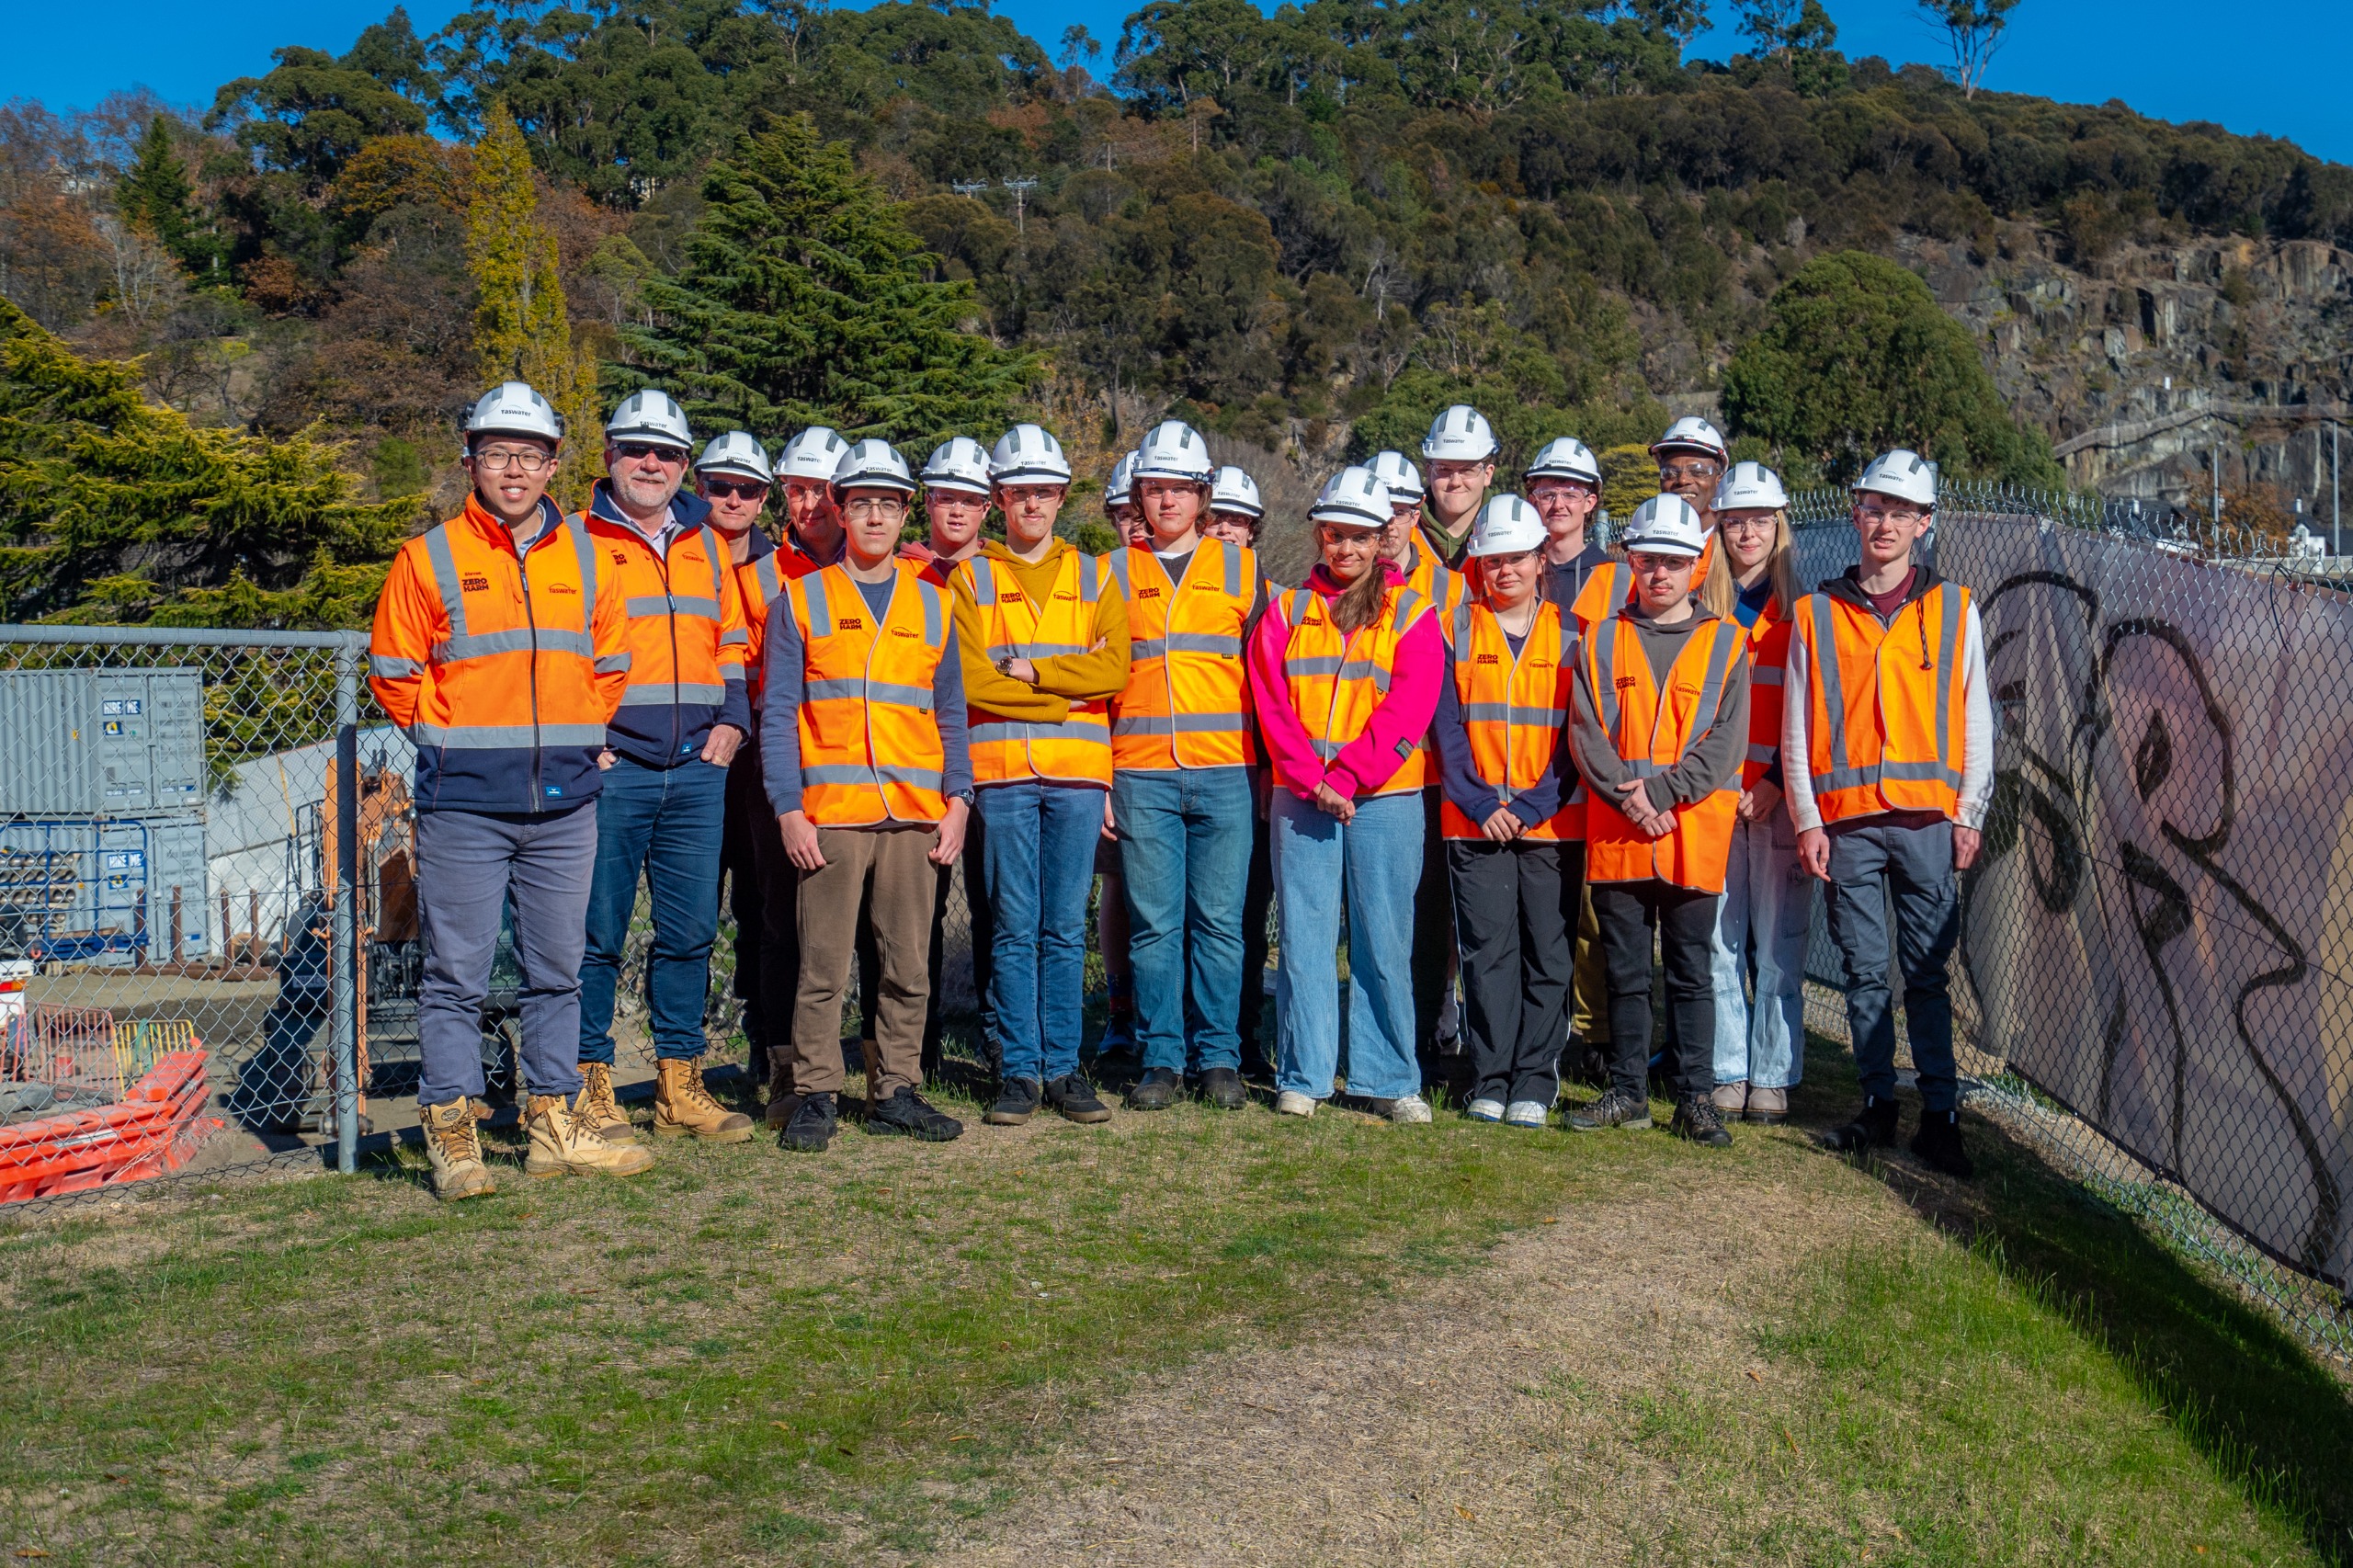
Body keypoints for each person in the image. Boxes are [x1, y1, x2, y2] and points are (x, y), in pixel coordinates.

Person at [368, 382, 653, 1198]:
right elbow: (393, 672)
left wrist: (575, 738)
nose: (514, 469)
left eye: (528, 454)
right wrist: (451, 737)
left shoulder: (590, 556)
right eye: (497, 453)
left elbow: (610, 665)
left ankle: (552, 1124)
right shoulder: (428, 558)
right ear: (472, 461)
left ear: (554, 462)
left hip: (565, 804)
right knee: (454, 974)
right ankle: (453, 1132)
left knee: (557, 971)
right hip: (464, 806)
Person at [1786, 449, 1992, 1179]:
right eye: (1875, 507)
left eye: (1902, 512)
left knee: (1928, 976)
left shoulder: (1954, 607)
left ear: (1924, 525)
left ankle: (1941, 1119)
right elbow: (1796, 725)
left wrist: (1969, 813)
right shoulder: (1816, 611)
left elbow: (1976, 720)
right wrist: (1808, 819)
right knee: (1864, 973)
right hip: (1846, 824)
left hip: (1929, 825)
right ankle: (1877, 1107)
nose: (1886, 523)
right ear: (1855, 512)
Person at [764, 440, 973, 1153]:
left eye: (888, 504)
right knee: (822, 965)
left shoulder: (933, 604)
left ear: (905, 510)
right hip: (831, 818)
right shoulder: (801, 599)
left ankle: (896, 1089)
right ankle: (817, 1091)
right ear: (841, 511)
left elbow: (950, 713)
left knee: (908, 963)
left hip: (915, 816)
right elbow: (780, 712)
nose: (876, 517)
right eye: (862, 504)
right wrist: (788, 808)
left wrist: (959, 802)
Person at [574, 389, 757, 1148]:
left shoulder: (704, 543)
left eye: (668, 453)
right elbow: (556, 650)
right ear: (610, 454)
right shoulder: (574, 541)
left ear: (686, 463)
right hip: (614, 767)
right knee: (595, 936)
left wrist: (733, 723)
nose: (652, 464)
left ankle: (680, 1087)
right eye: (637, 449)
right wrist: (588, 736)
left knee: (688, 934)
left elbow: (733, 640)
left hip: (696, 768)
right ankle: (588, 1088)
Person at [1248, 466, 1444, 1124]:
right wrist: (1313, 779)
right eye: (1335, 535)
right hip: (1302, 795)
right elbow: (1271, 707)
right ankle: (1303, 1073)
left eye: (1360, 537)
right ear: (1319, 535)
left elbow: (1409, 708)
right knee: (1302, 937)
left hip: (1385, 797)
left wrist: (1348, 775)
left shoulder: (1413, 612)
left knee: (1384, 937)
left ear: (1381, 539)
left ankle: (1388, 1076)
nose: (1347, 549)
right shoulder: (1284, 611)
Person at [952, 423, 1131, 1127]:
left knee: (1063, 925)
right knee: (1014, 925)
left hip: (1078, 775)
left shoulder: (1096, 574)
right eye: (1020, 492)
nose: (1033, 504)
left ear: (1062, 498)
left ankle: (1065, 1068)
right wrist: (1065, 695)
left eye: (1045, 493)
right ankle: (1019, 1070)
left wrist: (1033, 673)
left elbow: (1115, 667)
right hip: (1002, 773)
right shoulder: (973, 577)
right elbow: (967, 677)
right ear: (999, 499)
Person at [1564, 494, 1750, 1147]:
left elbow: (1727, 742)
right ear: (1631, 561)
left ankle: (1695, 1098)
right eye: (1648, 561)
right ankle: (1628, 1093)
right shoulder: (1600, 638)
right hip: (1621, 830)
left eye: (1673, 562)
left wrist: (1663, 795)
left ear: (1696, 566)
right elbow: (1584, 734)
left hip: (1690, 831)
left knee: (1690, 968)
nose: (1660, 574)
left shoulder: (1728, 642)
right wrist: (1631, 798)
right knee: (1624, 969)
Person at [1102, 422, 1265, 1111]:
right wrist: (1100, 776)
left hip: (1227, 771)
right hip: (1139, 772)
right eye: (1154, 488)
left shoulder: (1244, 571)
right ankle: (1161, 1057)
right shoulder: (1109, 573)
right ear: (1137, 495)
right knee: (1154, 924)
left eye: (1180, 488)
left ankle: (1220, 1056)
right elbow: (1093, 685)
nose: (1166, 501)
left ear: (1203, 496)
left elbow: (1270, 683)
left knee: (1222, 922)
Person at [1432, 495, 1581, 1129]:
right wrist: (1477, 802)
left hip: (1550, 825)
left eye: (1517, 558)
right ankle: (1489, 1079)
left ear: (1540, 559)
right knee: (1486, 955)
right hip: (1474, 823)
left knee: (1547, 954)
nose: (1504, 571)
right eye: (1492, 561)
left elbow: (1580, 738)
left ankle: (1534, 1080)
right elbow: (1447, 729)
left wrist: (1529, 806)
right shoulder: (1457, 629)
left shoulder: (1576, 635)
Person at [1699, 461, 1810, 1126]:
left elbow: (1814, 711)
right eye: (1735, 520)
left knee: (1778, 943)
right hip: (1714, 796)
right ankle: (1727, 1069)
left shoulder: (1804, 609)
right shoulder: (1697, 604)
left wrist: (1774, 782)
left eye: (1760, 520)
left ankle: (1772, 1073)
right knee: (1719, 940)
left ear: (1779, 525)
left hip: (1776, 797)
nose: (1747, 532)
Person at [694, 431, 792, 1096]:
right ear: (700, 488)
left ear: (763, 499)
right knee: (691, 910)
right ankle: (681, 1060)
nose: (733, 498)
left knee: (764, 908)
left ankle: (768, 1046)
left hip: (756, 755)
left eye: (747, 489)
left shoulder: (780, 569)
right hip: (688, 750)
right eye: (721, 486)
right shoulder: (674, 552)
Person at [1525, 435, 1624, 1078]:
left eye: (1570, 490)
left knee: (1591, 913)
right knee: (1535, 907)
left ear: (1591, 501)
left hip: (1589, 760)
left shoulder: (1614, 576)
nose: (1556, 501)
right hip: (1524, 757)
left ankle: (1594, 1036)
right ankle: (1534, 1026)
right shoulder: (1508, 561)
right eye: (1545, 489)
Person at [1204, 462, 1275, 1074]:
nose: (1225, 529)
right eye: (1217, 517)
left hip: (1253, 776)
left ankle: (1242, 1036)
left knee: (1245, 916)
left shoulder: (1269, 597)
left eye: (1238, 520)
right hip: (1199, 770)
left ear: (1254, 530)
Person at [1525, 437, 1627, 626]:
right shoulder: (1515, 572)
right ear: (1533, 501)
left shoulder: (1621, 581)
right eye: (1548, 495)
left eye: (1570, 495)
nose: (1558, 505)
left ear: (1590, 503)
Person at [1418, 405, 1499, 566]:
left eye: (1467, 470)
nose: (1455, 482)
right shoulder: (1403, 530)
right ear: (1429, 472)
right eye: (1443, 469)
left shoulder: (1510, 531)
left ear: (1488, 474)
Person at [1652, 415, 1729, 573]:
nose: (1683, 480)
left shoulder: (1735, 548)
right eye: (1670, 472)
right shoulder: (1644, 546)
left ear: (1719, 477)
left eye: (1698, 471)